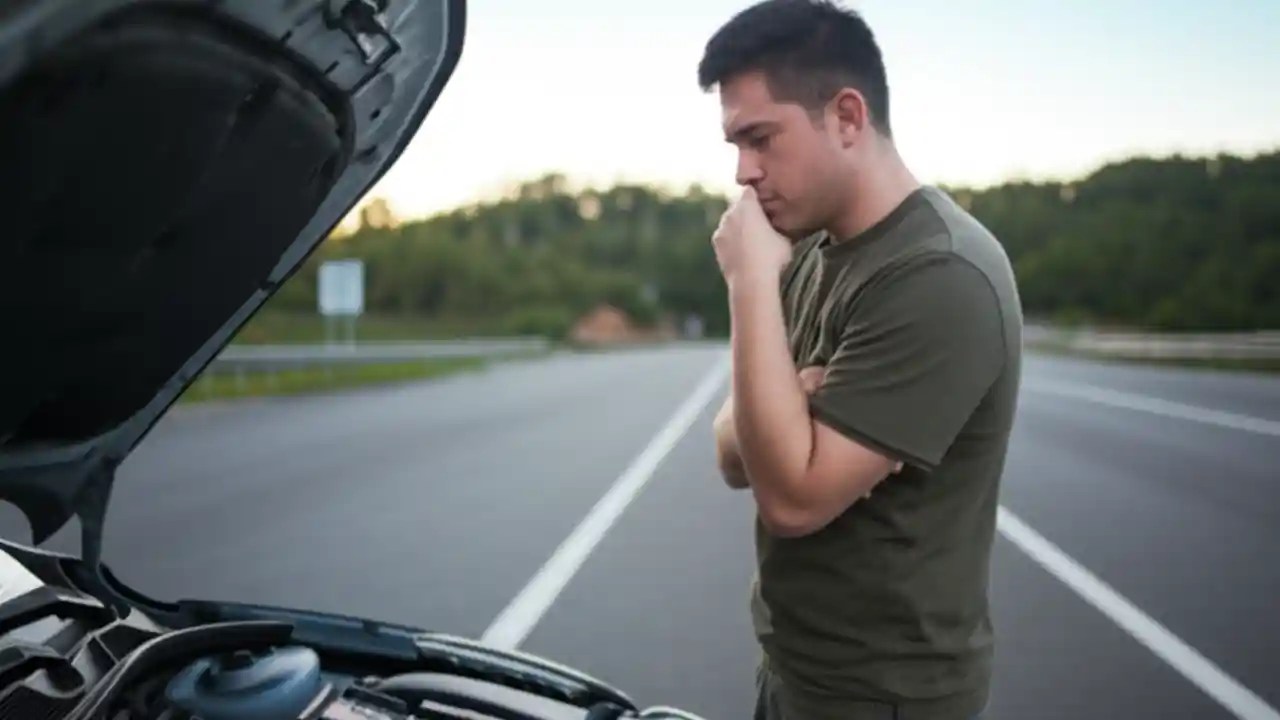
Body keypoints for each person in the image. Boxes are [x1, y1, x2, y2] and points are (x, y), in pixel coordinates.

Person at [699, 1, 1024, 718]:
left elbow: (791, 499)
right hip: (794, 669)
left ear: (847, 116)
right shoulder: (809, 247)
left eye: (760, 139)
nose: (743, 173)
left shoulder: (940, 273)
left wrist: (749, 283)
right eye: (734, 145)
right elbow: (731, 455)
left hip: (886, 696)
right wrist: (789, 406)